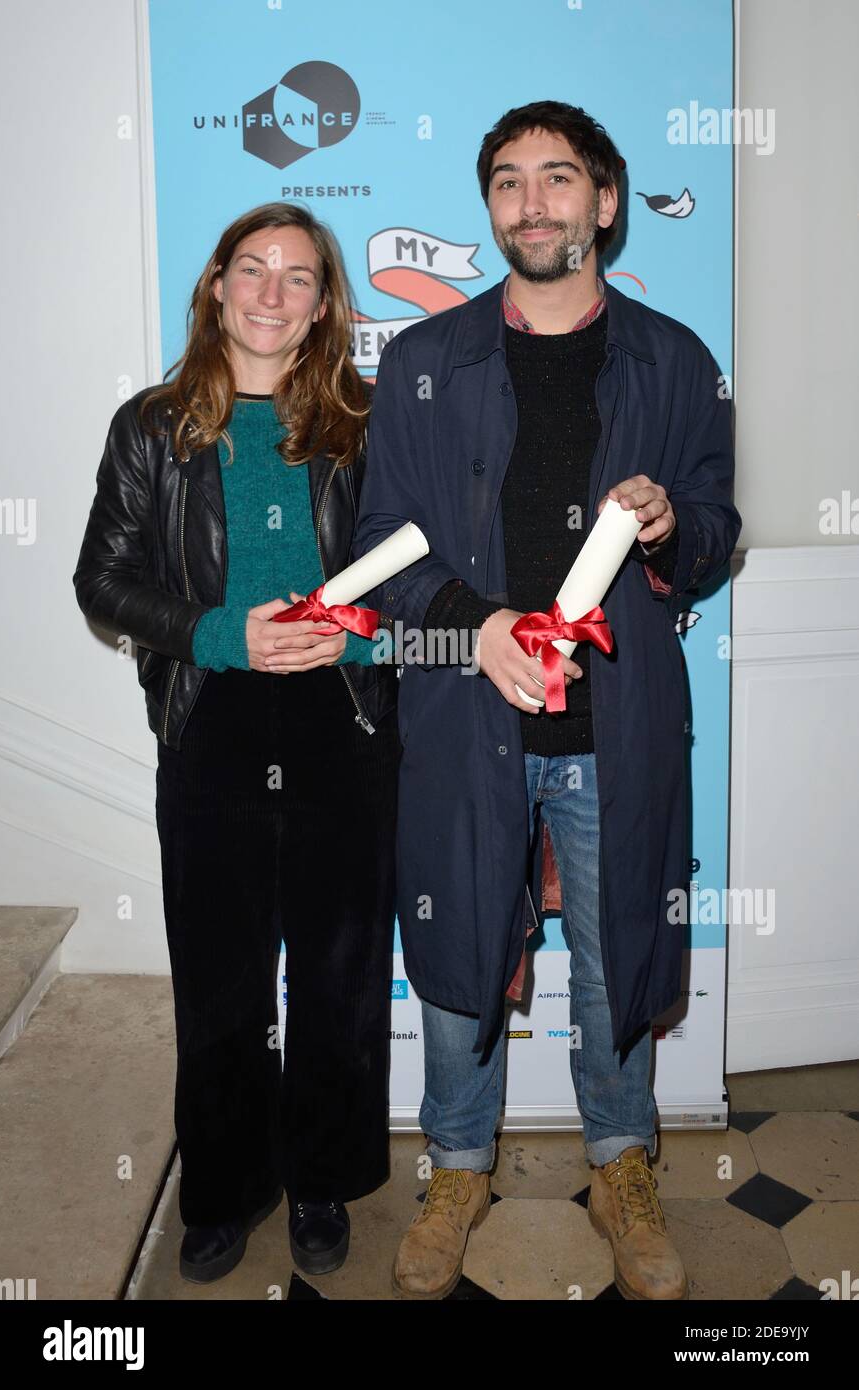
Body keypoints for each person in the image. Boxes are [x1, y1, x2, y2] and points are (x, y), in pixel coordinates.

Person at [353, 101, 741, 1300]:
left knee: (617, 945)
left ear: (603, 202)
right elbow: (382, 543)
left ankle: (621, 1158)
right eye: (509, 182)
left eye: (557, 178)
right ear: (491, 208)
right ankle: (457, 1162)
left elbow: (716, 528)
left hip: (612, 723)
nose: (531, 202)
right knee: (461, 939)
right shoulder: (424, 362)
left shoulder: (672, 359)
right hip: (470, 715)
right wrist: (474, 632)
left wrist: (677, 525)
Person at [73, 202, 400, 1283]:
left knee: (338, 973)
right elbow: (103, 582)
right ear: (215, 287)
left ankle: (319, 1179)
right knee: (218, 977)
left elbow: (411, 573)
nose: (270, 293)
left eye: (296, 276)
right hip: (209, 716)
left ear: (323, 304)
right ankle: (221, 1187)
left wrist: (347, 634)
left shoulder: (366, 420)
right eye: (250, 270)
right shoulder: (150, 426)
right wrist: (222, 632)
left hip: (339, 721)